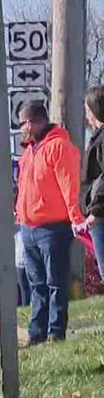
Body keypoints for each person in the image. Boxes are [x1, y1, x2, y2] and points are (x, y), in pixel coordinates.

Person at [15, 99, 84, 345]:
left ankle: (56, 332)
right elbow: (23, 187)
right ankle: (37, 333)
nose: (20, 128)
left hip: (53, 228)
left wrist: (76, 219)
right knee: (36, 284)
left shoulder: (59, 147)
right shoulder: (29, 151)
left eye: (22, 123)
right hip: (28, 227)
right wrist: (18, 213)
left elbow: (70, 186)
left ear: (33, 122)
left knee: (56, 282)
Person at [81, 86, 104, 278]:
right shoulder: (97, 137)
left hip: (101, 214)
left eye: (88, 110)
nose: (87, 116)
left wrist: (96, 209)